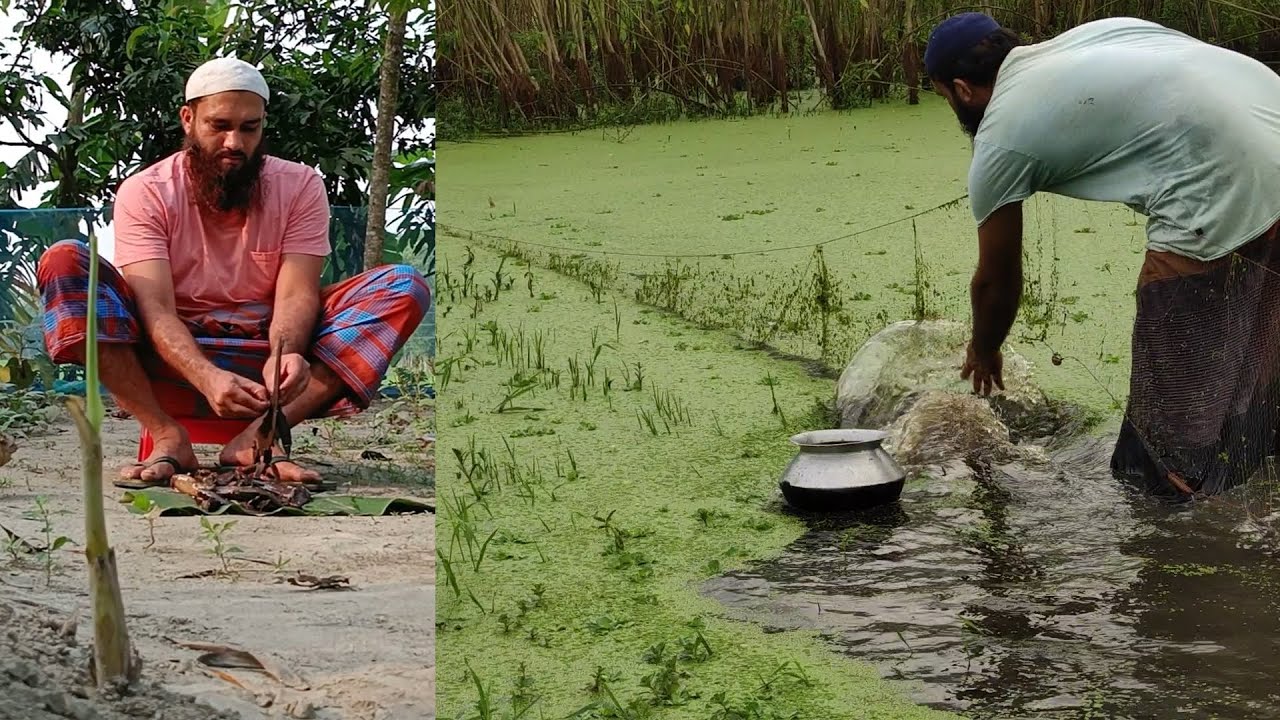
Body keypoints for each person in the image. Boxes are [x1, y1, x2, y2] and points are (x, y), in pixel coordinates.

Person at [924, 13, 1280, 498]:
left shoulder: (1000, 137)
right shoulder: (1097, 35)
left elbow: (997, 283)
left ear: (962, 89)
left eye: (944, 97)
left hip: (1221, 184)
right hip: (1268, 125)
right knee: (1259, 366)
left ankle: (1178, 542)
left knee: (1164, 441)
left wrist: (984, 350)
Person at [36, 57, 432, 488]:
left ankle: (259, 437)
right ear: (188, 119)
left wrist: (285, 356)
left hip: (263, 351)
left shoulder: (300, 186)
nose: (234, 142)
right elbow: (155, 309)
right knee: (64, 260)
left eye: (249, 128)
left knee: (402, 286)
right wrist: (206, 376)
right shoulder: (145, 191)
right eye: (219, 125)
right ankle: (168, 435)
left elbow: (297, 294)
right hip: (170, 352)